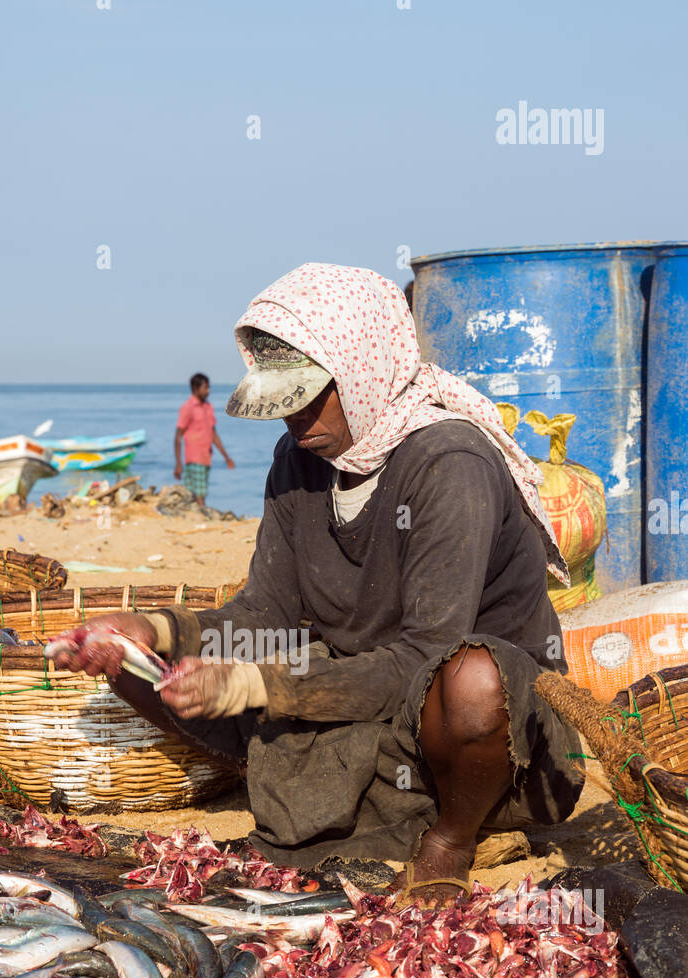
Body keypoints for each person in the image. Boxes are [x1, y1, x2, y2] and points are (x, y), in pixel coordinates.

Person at [54, 263, 584, 904]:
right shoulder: (300, 459)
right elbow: (265, 613)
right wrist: (155, 630)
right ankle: (328, 793)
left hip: (479, 735)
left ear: (362, 370)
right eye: (282, 405)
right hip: (363, 691)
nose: (294, 421)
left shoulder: (449, 464)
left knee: (472, 680)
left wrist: (254, 684)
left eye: (308, 397)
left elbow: (422, 659)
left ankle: (451, 837)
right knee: (135, 661)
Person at [174, 373, 235, 507]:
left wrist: (226, 457)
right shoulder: (188, 408)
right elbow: (178, 436)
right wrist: (178, 464)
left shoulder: (208, 407)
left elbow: (213, 434)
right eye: (205, 388)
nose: (208, 391)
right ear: (196, 388)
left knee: (196, 495)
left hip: (206, 457)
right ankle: (205, 517)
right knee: (199, 495)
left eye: (208, 388)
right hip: (194, 458)